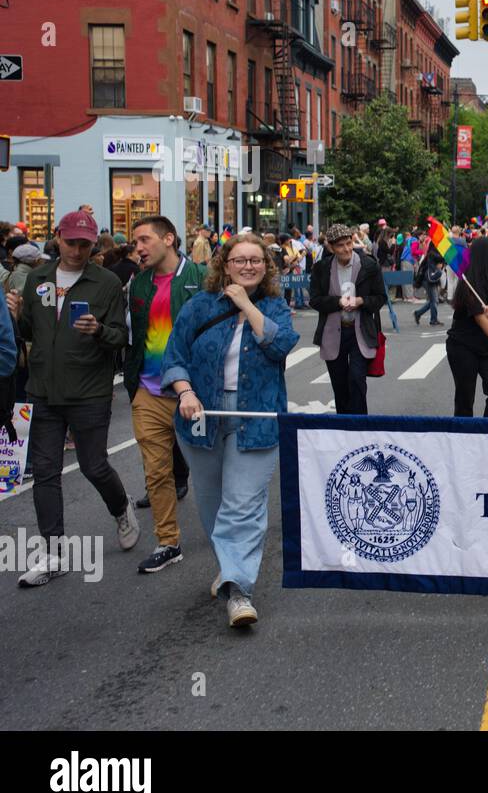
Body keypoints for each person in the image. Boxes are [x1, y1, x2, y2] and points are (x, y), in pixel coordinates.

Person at [162, 233, 299, 627]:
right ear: (224, 265)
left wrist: (244, 304)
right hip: (201, 419)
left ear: (266, 267)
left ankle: (239, 590)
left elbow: (281, 345)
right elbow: (175, 356)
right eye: (240, 260)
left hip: (256, 422)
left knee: (243, 504)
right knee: (212, 503)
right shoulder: (199, 306)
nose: (248, 266)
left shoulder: (274, 306)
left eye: (256, 260)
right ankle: (229, 562)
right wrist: (185, 391)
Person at [8, 211, 138, 588]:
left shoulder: (107, 283)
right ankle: (52, 553)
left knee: (93, 465)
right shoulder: (37, 278)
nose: (78, 250)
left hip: (89, 390)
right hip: (43, 389)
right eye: (71, 242)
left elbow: (119, 337)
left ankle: (121, 507)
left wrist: (98, 330)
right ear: (57, 238)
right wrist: (18, 317)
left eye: (85, 244)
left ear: (94, 244)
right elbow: (32, 331)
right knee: (45, 472)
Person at [124, 216, 207, 573]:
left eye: (144, 240)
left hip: (194, 393)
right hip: (148, 392)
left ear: (169, 239)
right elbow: (131, 335)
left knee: (209, 469)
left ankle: (228, 533)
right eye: (135, 242)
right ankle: (168, 542)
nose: (138, 248)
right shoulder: (137, 284)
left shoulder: (201, 279)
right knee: (156, 473)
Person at [310, 223, 384, 416]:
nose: (347, 249)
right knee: (339, 384)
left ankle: (360, 427)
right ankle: (343, 427)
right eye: (341, 245)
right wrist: (337, 302)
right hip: (332, 332)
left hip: (360, 331)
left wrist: (360, 301)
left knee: (357, 380)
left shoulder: (369, 265)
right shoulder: (321, 268)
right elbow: (315, 300)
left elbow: (380, 298)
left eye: (349, 243)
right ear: (331, 248)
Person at [447, 236, 488, 417]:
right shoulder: (469, 283)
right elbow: (482, 320)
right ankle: (464, 438)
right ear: (486, 257)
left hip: (487, 347)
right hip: (463, 346)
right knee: (465, 399)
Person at [413, 243, 444, 326]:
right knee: (434, 301)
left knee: (433, 301)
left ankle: (418, 313)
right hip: (428, 280)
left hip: (430, 279)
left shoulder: (433, 253)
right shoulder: (432, 253)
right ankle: (433, 320)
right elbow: (439, 258)